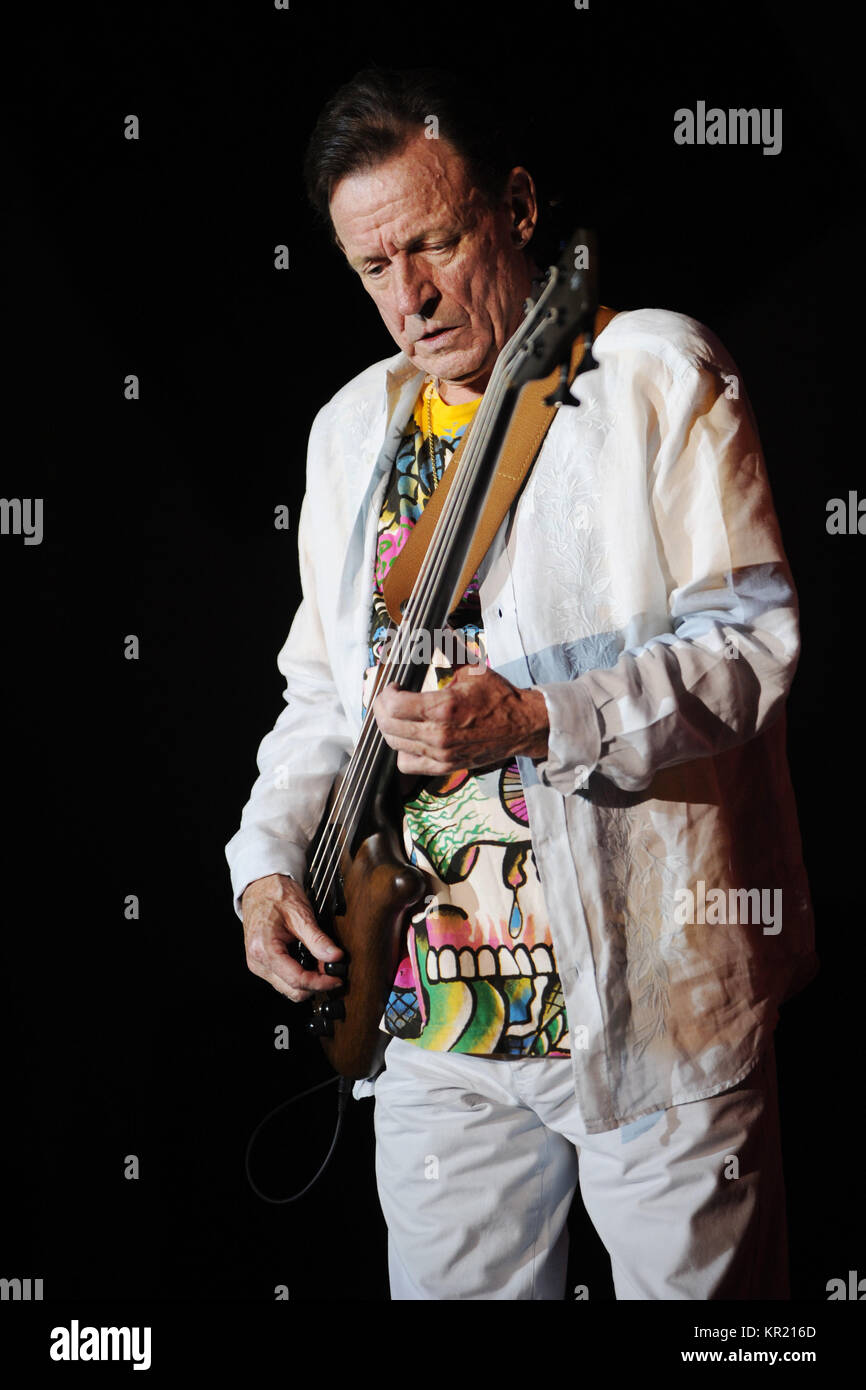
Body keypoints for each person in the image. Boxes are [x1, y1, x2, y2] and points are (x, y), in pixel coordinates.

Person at [225, 67, 817, 1301]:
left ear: (517, 206)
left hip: (648, 1002)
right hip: (434, 1021)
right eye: (374, 268)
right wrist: (268, 860)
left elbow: (750, 644)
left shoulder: (655, 372)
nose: (412, 297)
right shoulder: (350, 431)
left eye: (434, 243)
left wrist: (540, 714)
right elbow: (322, 693)